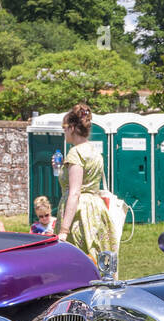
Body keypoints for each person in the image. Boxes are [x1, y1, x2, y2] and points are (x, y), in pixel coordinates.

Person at [53, 104, 117, 262]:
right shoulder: (94, 151)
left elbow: (75, 192)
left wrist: (64, 230)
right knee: (99, 258)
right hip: (96, 209)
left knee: (76, 261)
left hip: (80, 214)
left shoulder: (75, 153)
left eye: (65, 127)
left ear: (73, 128)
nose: (64, 131)